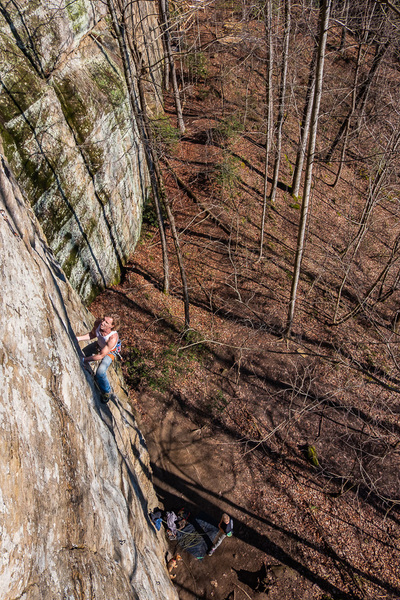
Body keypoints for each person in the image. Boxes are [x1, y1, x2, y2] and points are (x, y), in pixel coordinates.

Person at [77, 315, 120, 402]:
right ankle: (89, 366)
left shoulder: (112, 338)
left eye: (106, 322)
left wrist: (84, 360)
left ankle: (106, 391)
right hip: (100, 344)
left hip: (110, 351)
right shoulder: (98, 323)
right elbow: (92, 334)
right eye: (103, 319)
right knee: (84, 352)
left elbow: (101, 355)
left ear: (112, 326)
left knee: (100, 372)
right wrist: (78, 338)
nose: (103, 322)